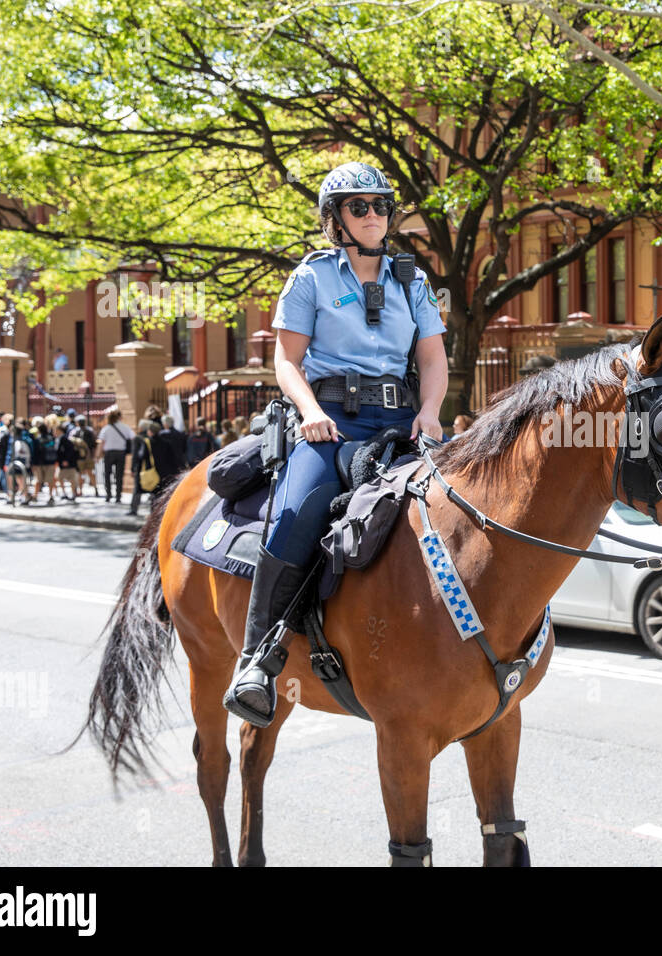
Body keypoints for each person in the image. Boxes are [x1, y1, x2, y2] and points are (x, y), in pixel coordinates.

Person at [224, 160, 448, 728]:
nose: (374, 216)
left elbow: (431, 358)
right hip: (331, 422)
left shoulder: (413, 280)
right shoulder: (311, 279)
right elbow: (286, 360)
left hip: (402, 424)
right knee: (298, 511)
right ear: (335, 219)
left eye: (380, 206)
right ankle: (256, 661)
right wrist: (311, 413)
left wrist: (430, 411)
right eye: (359, 206)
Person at [97, 409, 134, 503]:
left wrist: (97, 455)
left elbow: (101, 443)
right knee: (119, 475)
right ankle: (118, 496)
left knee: (107, 474)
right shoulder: (125, 427)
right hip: (121, 453)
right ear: (119, 417)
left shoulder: (106, 428)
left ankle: (108, 495)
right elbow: (133, 438)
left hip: (109, 453)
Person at [55, 422, 80, 502]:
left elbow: (70, 451)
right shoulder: (59, 439)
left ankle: (73, 494)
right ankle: (65, 493)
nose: (54, 432)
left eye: (55, 430)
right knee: (60, 478)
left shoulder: (65, 439)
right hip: (63, 464)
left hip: (68, 464)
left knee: (71, 479)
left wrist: (66, 460)